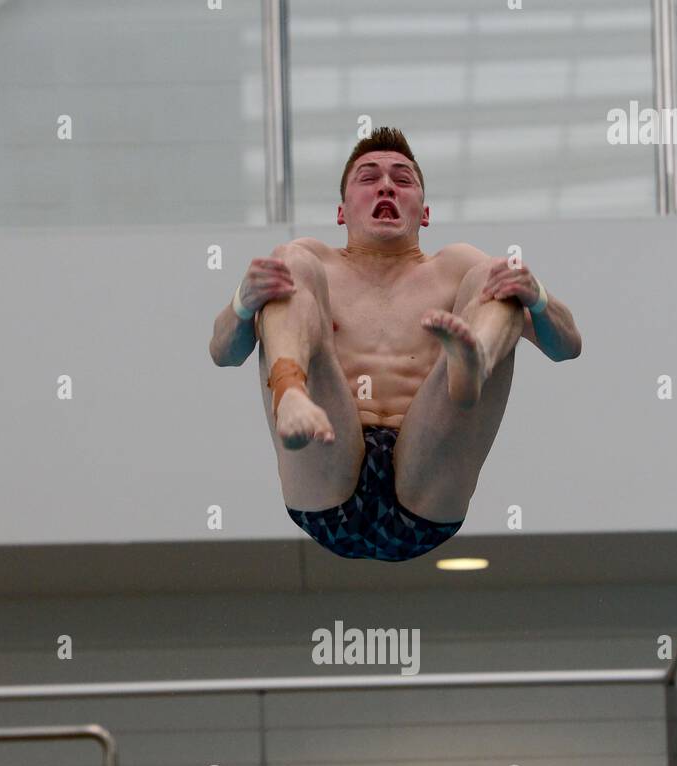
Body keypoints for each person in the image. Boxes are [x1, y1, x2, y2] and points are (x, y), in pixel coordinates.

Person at [209, 127, 581, 562]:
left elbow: (566, 346)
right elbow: (224, 352)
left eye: (402, 180)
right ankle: (290, 389)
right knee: (291, 262)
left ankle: (474, 360)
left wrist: (534, 294)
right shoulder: (317, 265)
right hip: (325, 467)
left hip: (430, 478)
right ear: (341, 212)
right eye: (369, 178)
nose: (386, 185)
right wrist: (242, 302)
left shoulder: (456, 267)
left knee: (495, 274)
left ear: (424, 213)